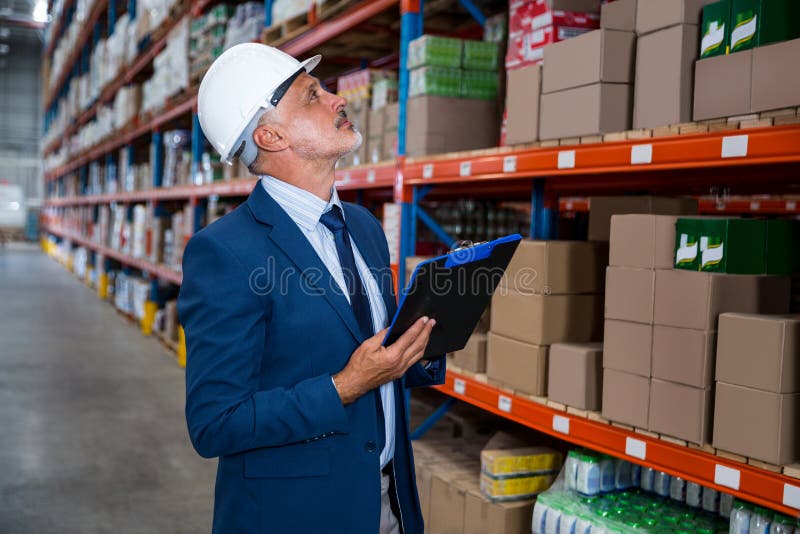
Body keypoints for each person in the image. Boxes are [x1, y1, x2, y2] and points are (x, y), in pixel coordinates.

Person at [177, 43, 446, 534]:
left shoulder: (361, 225)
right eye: (312, 95)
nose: (337, 99)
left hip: (384, 502)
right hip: (294, 514)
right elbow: (215, 422)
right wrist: (346, 386)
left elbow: (371, 350)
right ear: (270, 136)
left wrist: (425, 342)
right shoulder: (225, 252)